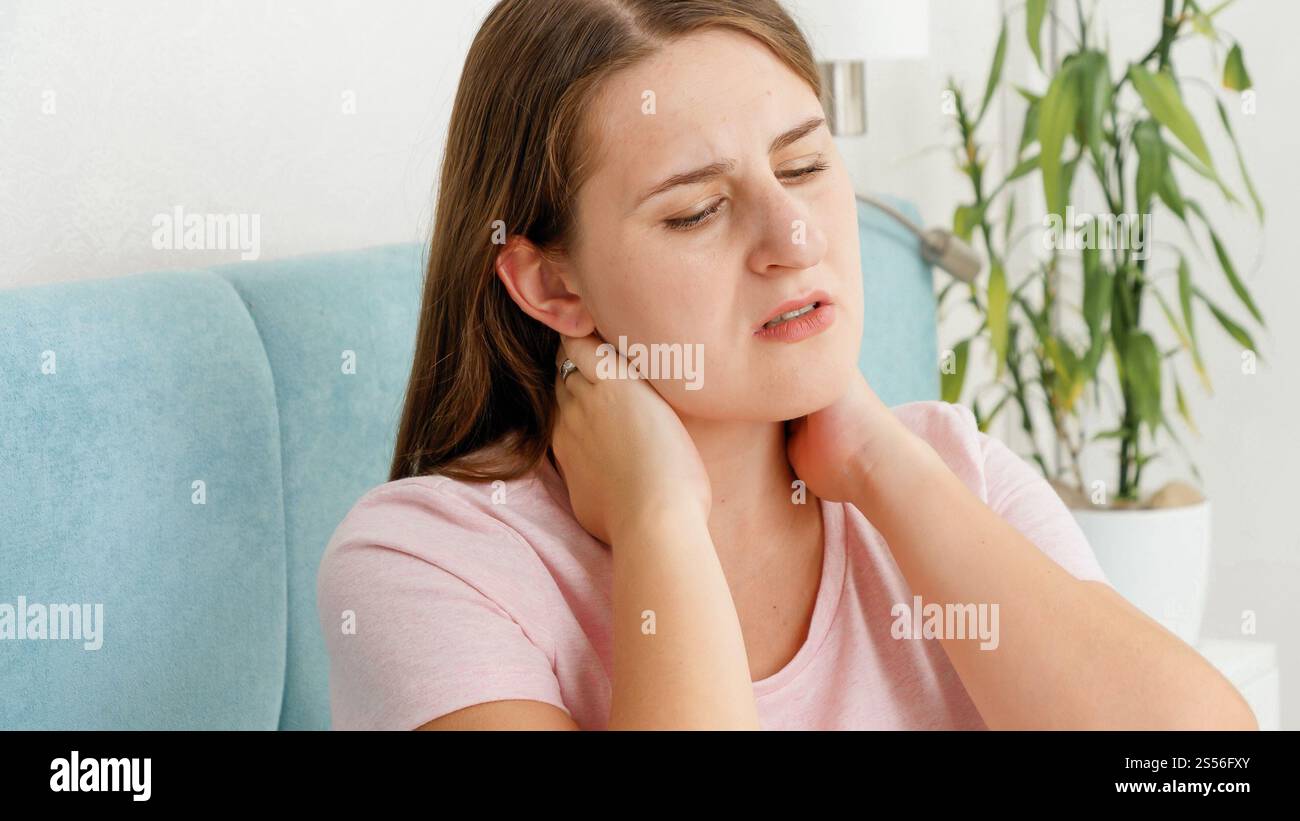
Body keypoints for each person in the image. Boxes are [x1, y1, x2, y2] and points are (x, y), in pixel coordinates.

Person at [315, 0, 1257, 731]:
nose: (794, 237)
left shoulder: (946, 469)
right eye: (696, 210)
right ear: (553, 285)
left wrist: (881, 464)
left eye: (804, 166)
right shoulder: (430, 566)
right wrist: (657, 520)